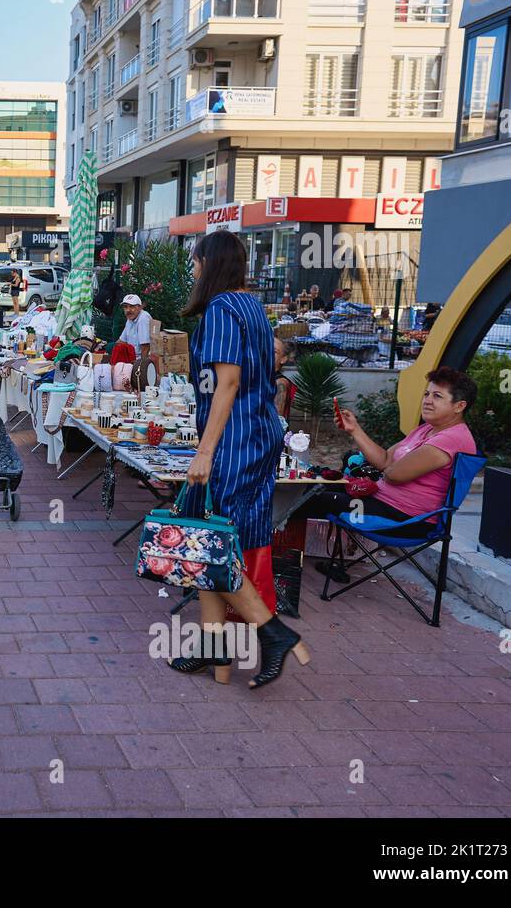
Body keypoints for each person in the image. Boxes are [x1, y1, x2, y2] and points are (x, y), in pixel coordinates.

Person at [170, 230, 309, 689]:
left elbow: (226, 384)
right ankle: (216, 655)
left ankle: (273, 635)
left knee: (214, 546)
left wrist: (204, 451)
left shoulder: (221, 310)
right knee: (219, 540)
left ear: (210, 264)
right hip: (257, 435)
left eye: (195, 261)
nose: (192, 269)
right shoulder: (250, 305)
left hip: (235, 441)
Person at [302, 367, 478, 578]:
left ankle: (275, 562)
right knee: (310, 484)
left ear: (459, 406)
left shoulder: (452, 439)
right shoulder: (426, 429)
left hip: (407, 521)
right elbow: (385, 460)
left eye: (437, 396)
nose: (428, 400)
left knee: (316, 497)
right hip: (381, 501)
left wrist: (387, 470)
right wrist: (354, 429)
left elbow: (394, 475)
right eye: (426, 394)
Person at [119, 294, 153, 362]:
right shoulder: (130, 319)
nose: (128, 310)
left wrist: (141, 367)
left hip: (141, 360)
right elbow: (122, 341)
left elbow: (145, 347)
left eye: (132, 307)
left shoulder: (143, 319)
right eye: (125, 307)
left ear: (140, 307)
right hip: (131, 357)